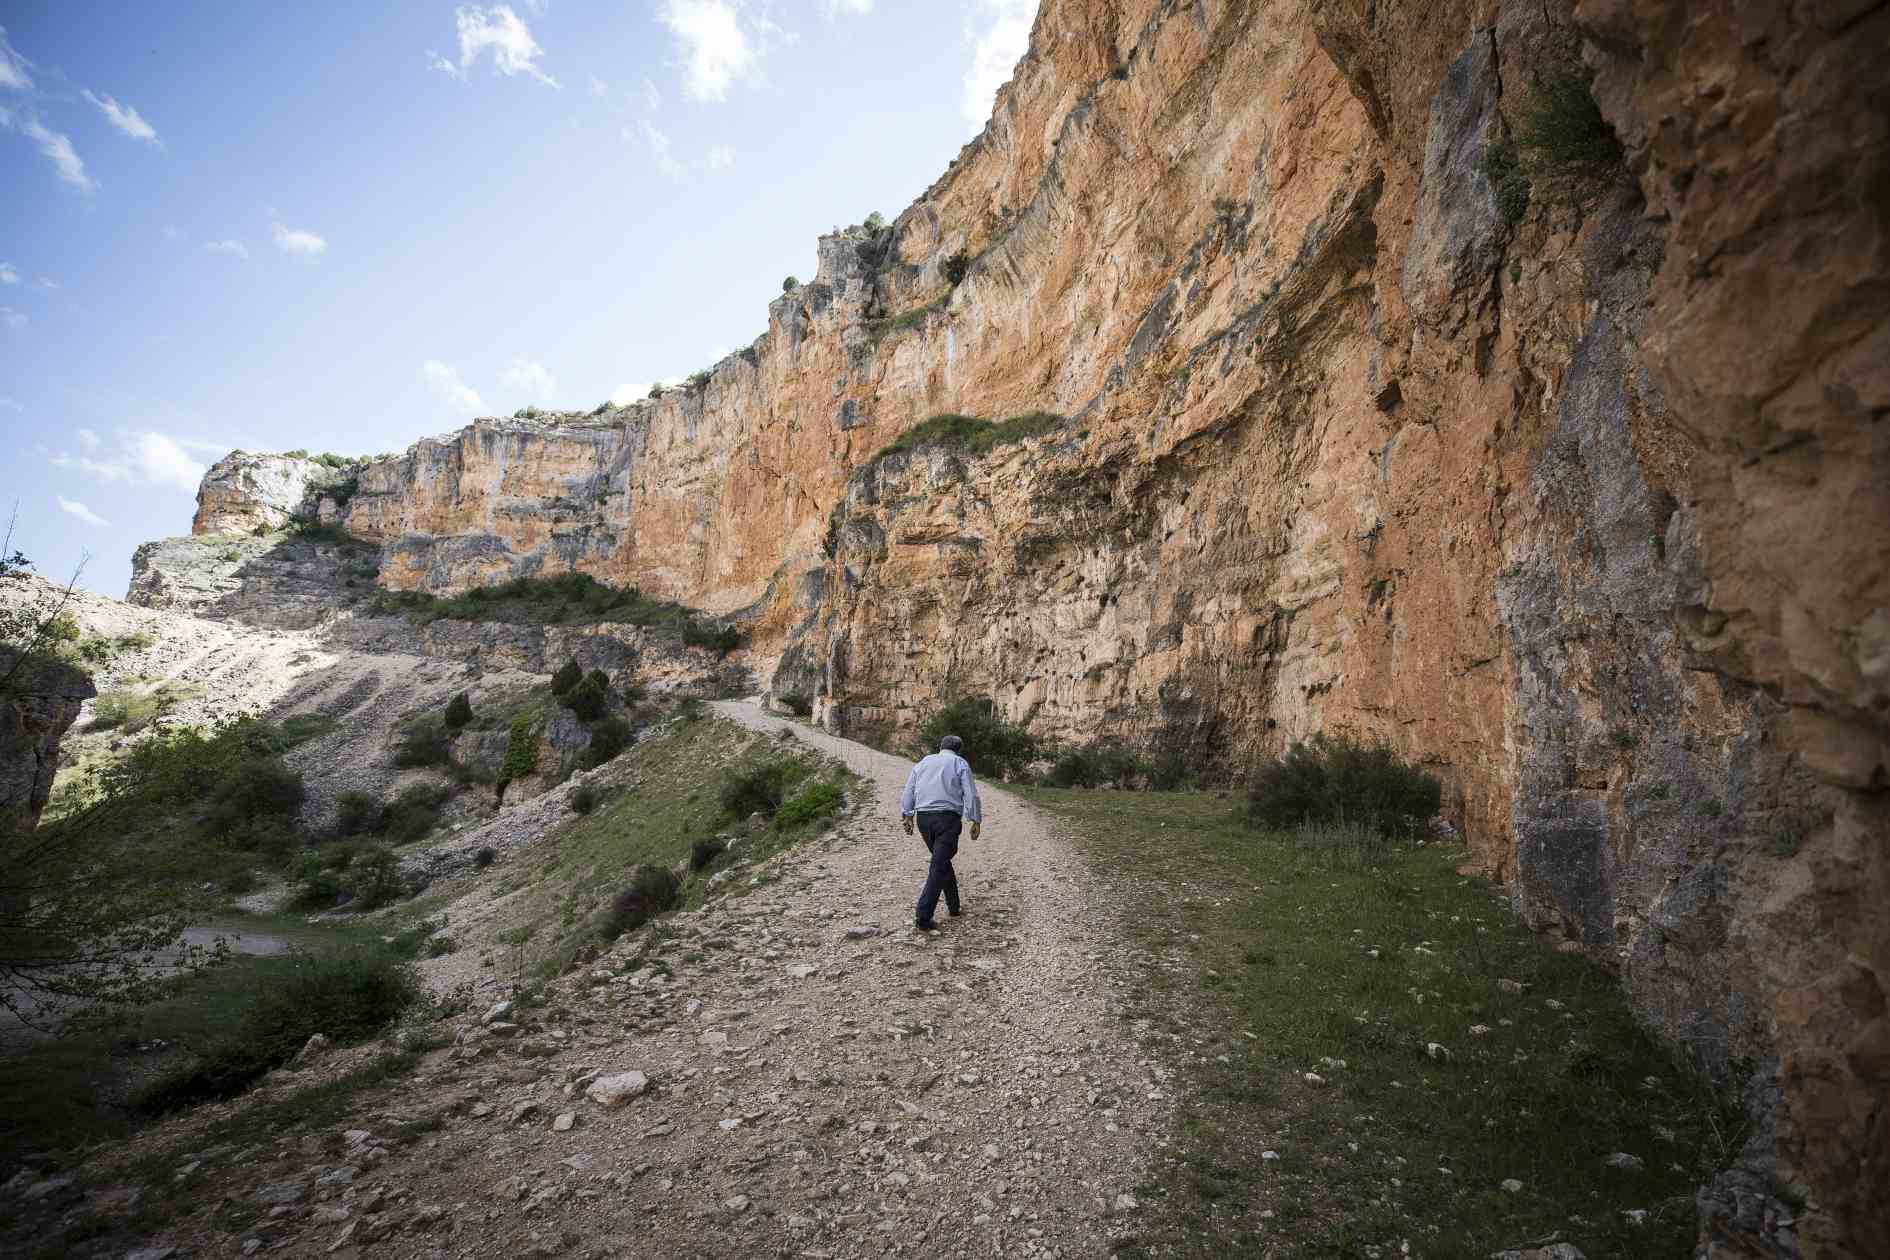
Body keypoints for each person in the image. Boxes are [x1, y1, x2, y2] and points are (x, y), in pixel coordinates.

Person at [899, 734, 982, 930]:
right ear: (958, 750)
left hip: (924, 820)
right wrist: (975, 819)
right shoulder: (959, 763)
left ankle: (954, 906)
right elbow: (970, 793)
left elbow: (909, 789)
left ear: (940, 747)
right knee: (938, 864)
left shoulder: (923, 762)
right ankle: (923, 916)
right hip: (947, 819)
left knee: (941, 861)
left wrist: (907, 815)